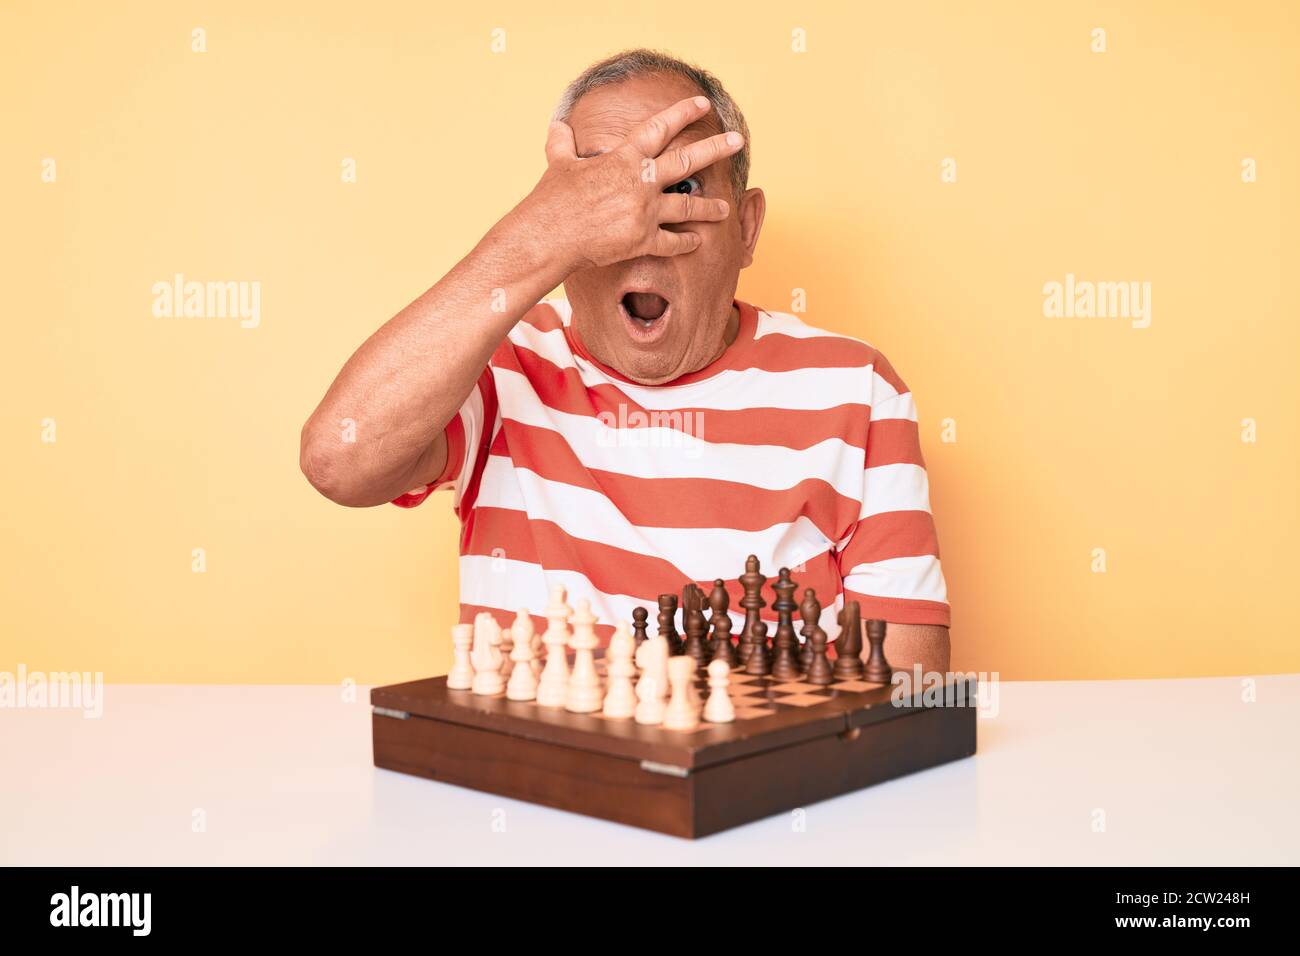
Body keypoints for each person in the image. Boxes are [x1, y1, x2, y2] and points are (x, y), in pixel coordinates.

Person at [300, 49, 950, 672]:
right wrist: (541, 235)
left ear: (747, 228)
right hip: (540, 784)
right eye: (600, 198)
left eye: (679, 190)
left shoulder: (857, 391)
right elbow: (338, 460)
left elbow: (907, 696)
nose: (636, 231)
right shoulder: (503, 367)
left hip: (762, 788)